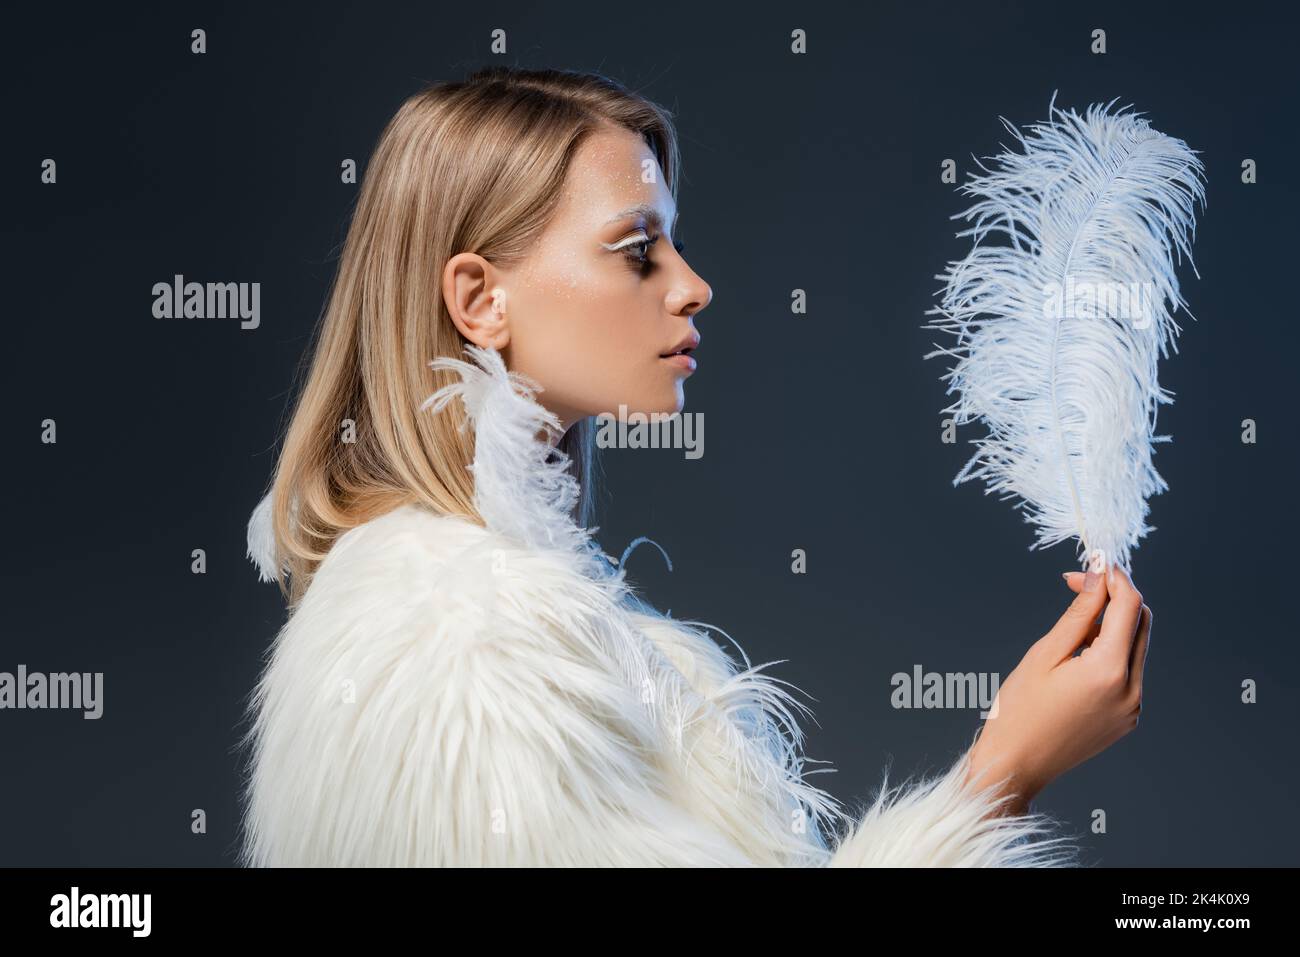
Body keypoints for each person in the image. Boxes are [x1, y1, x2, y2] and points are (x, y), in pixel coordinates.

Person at [238, 66, 1152, 867]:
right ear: (480, 299)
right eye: (638, 249)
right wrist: (1001, 773)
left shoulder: (522, 611)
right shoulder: (450, 640)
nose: (693, 284)